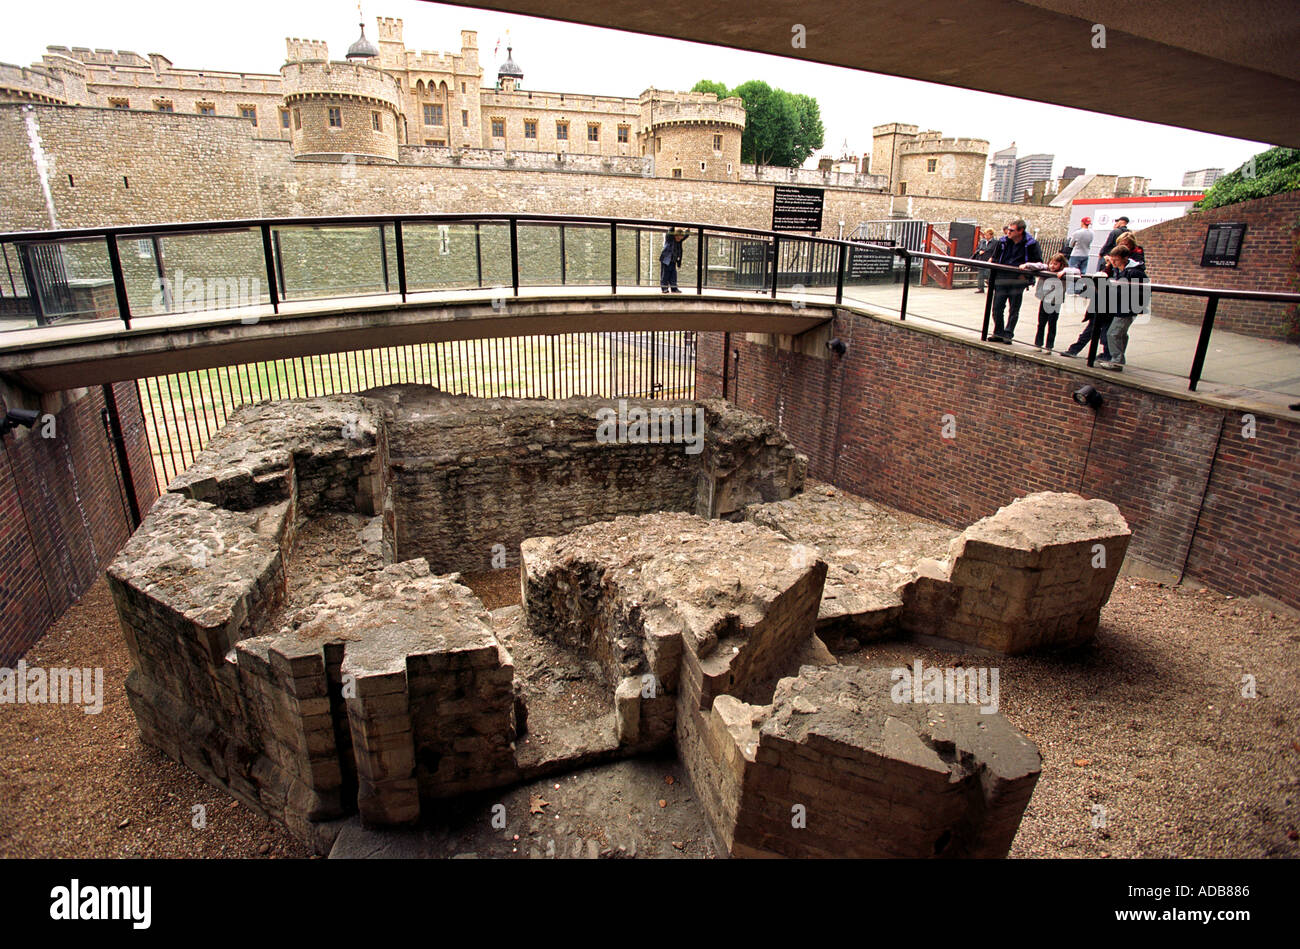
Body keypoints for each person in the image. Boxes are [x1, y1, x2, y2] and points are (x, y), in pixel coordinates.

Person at [987, 218, 1042, 343]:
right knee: (997, 307)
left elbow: (1039, 262)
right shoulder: (1002, 242)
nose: (1008, 233)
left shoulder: (1031, 244)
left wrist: (1027, 271)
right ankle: (998, 332)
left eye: (1012, 230)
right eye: (1008, 230)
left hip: (1018, 280)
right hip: (1001, 278)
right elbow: (995, 258)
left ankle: (1008, 333)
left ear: (1020, 231)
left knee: (1014, 308)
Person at [1097, 245, 1149, 372]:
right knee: (1120, 334)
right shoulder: (1121, 270)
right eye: (1112, 259)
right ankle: (1118, 360)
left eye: (1116, 260)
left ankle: (1116, 362)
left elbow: (1141, 292)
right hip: (1122, 306)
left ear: (1125, 259)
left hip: (1127, 308)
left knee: (1113, 333)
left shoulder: (1134, 272)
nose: (1113, 262)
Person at [1020, 252, 1080, 352]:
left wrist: (1064, 271)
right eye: (1051, 263)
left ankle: (1049, 346)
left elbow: (1077, 271)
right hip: (1045, 299)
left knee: (1052, 324)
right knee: (1041, 323)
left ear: (1061, 264)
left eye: (1055, 264)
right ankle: (1038, 343)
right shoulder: (1045, 269)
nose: (1052, 266)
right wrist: (1026, 265)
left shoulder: (1065, 272)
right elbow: (1038, 265)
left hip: (1055, 301)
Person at [660, 227, 689, 293]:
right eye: (678, 238)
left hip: (673, 261)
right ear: (675, 235)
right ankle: (664, 288)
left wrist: (688, 229)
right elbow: (670, 231)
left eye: (680, 238)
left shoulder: (680, 241)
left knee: (673, 275)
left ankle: (674, 288)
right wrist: (674, 226)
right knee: (665, 275)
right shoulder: (670, 239)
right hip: (666, 260)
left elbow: (686, 236)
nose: (679, 240)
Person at [973, 228, 996, 293]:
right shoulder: (982, 241)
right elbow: (977, 249)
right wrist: (979, 251)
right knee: (980, 274)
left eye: (987, 235)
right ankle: (980, 288)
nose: (986, 236)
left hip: (989, 260)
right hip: (981, 259)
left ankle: (991, 287)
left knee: (988, 274)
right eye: (985, 235)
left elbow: (995, 251)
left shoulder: (995, 242)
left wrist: (992, 258)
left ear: (991, 235)